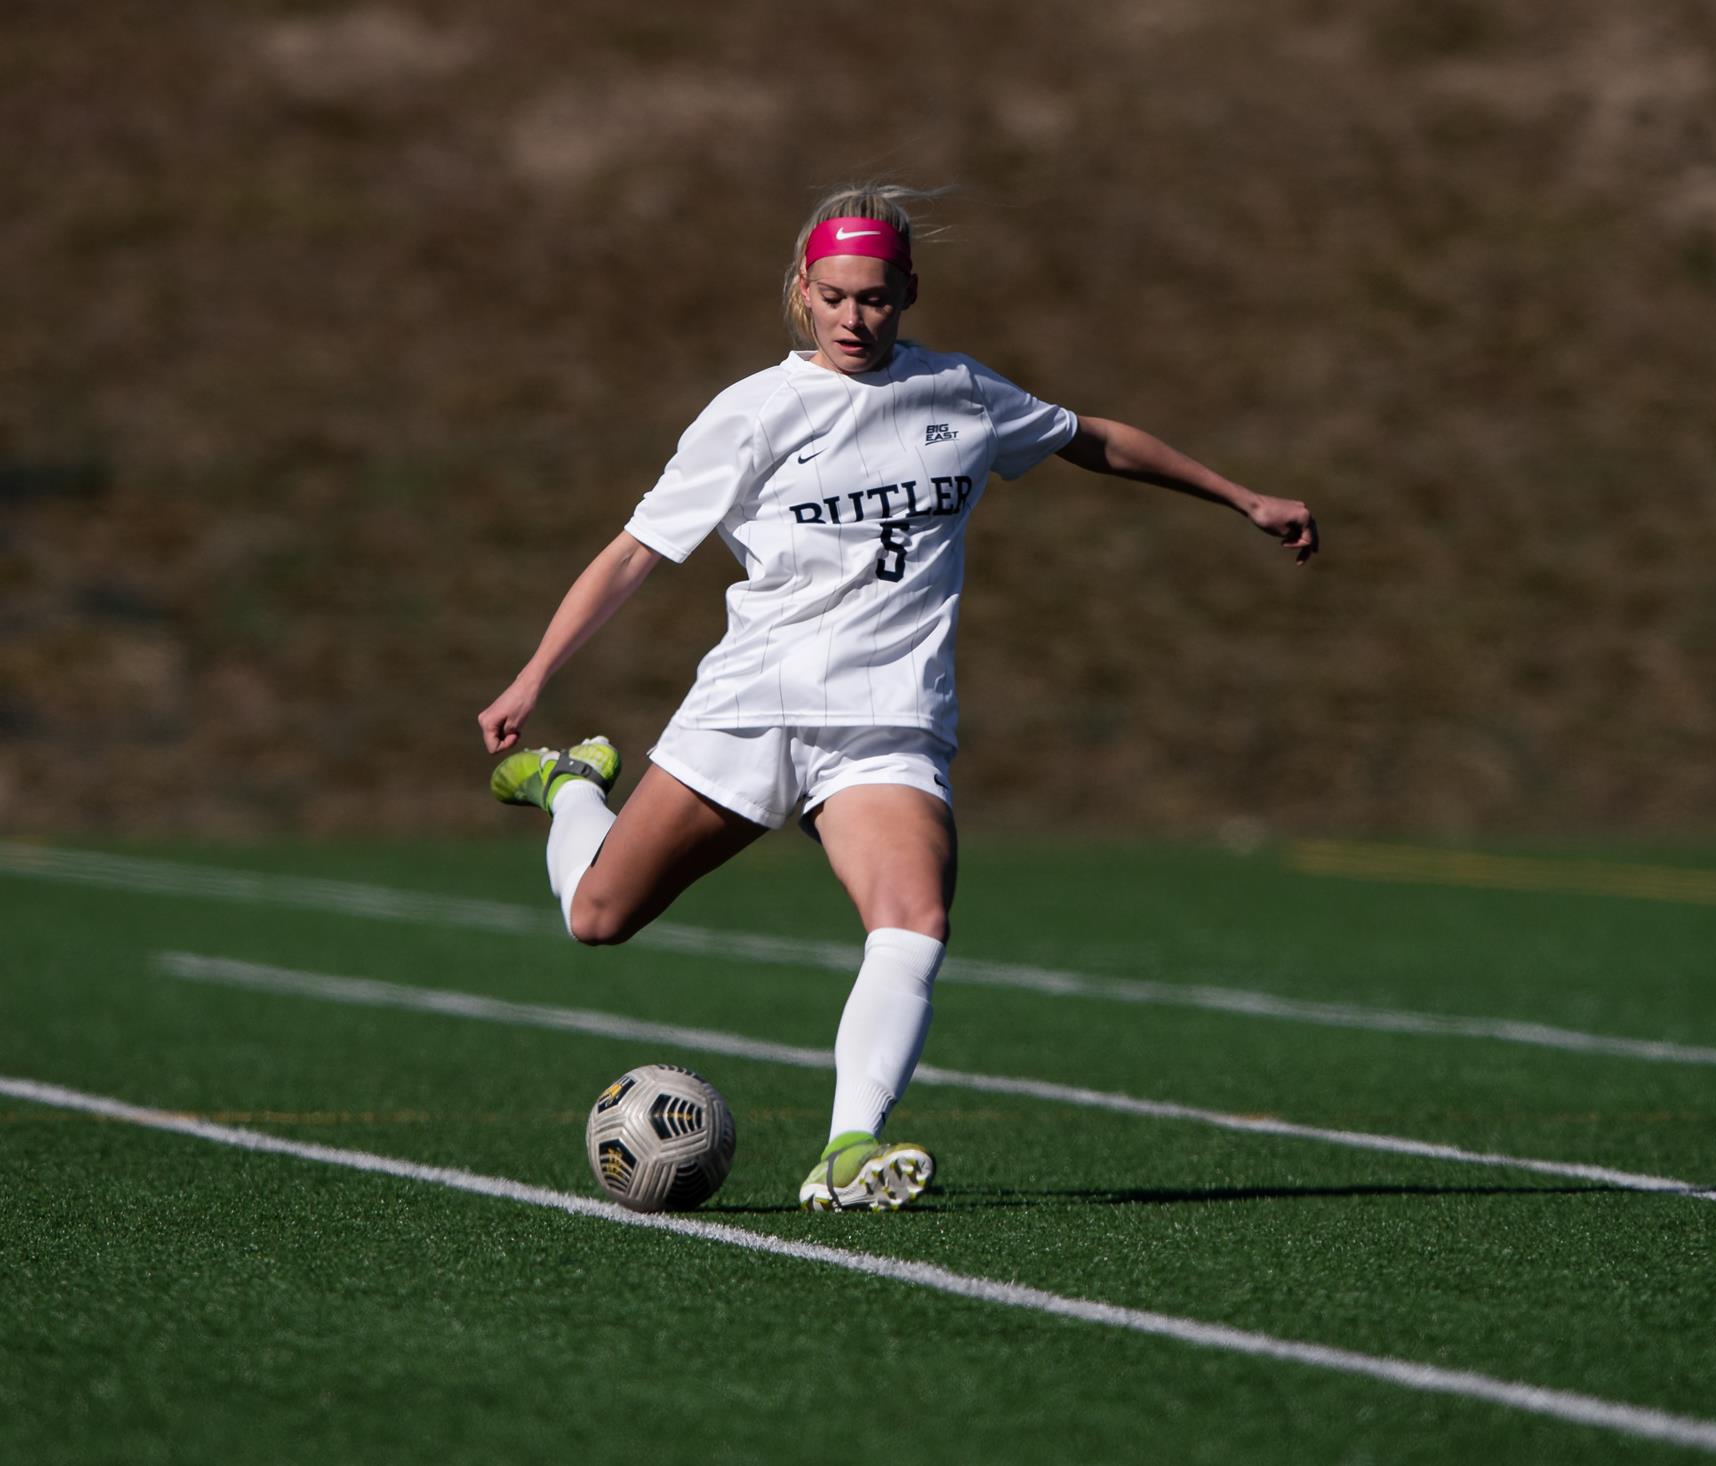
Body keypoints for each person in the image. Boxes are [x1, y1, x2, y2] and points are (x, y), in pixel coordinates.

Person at [476, 183, 1318, 1213]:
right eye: (832, 295)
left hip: (885, 721)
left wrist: (1241, 496)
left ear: (908, 291)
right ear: (801, 290)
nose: (852, 318)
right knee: (598, 918)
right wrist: (533, 675)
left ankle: (848, 1147)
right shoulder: (752, 412)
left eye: (874, 298)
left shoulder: (958, 393)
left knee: (913, 916)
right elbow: (632, 556)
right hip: (754, 709)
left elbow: (1089, 437)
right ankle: (569, 786)